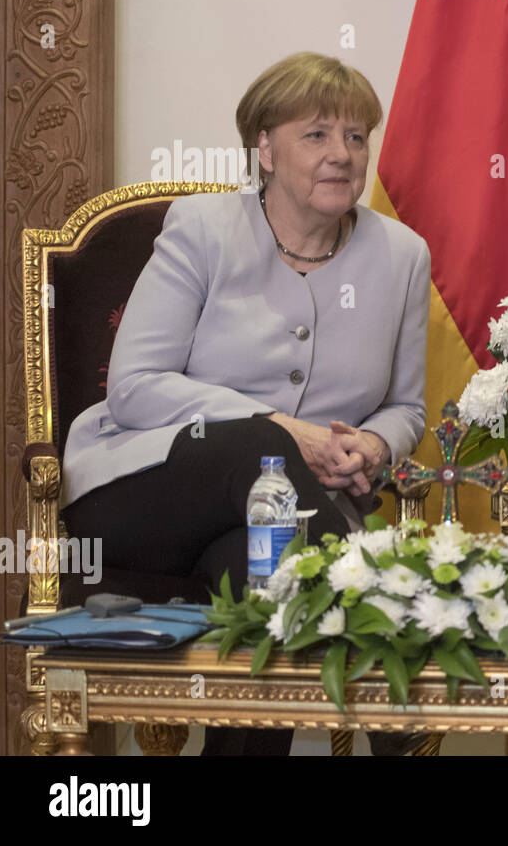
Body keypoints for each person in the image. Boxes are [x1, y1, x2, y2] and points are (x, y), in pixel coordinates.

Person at [61, 52, 431, 754]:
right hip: (144, 496)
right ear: (264, 149)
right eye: (316, 135)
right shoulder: (203, 229)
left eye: (356, 137)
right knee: (254, 445)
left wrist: (374, 446)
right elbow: (135, 387)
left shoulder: (402, 256)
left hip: (277, 517)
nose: (342, 155)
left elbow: (405, 407)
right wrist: (284, 429)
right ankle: (391, 651)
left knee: (266, 580)